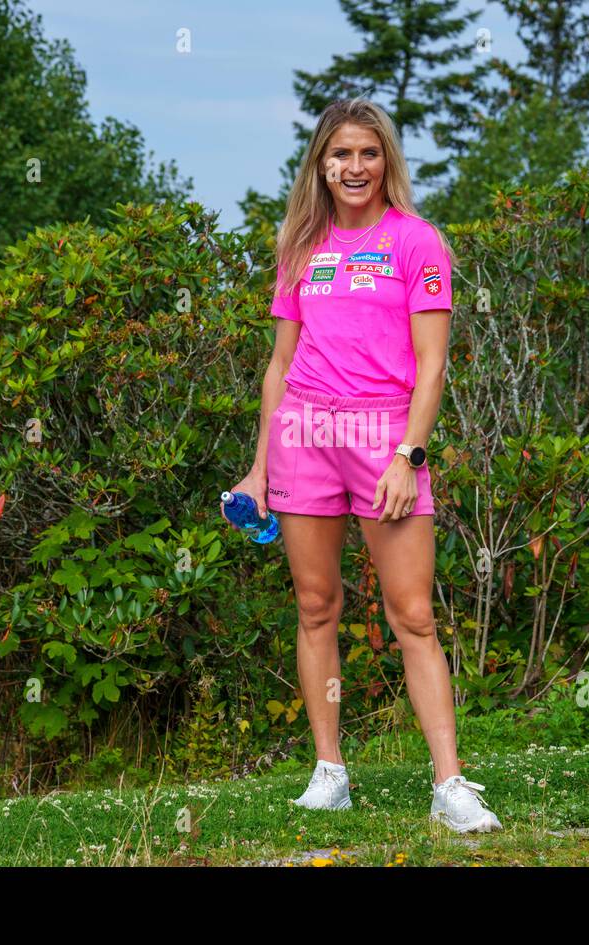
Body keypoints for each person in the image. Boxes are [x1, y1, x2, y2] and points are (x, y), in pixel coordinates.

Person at [223, 97, 501, 833]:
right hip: (303, 437)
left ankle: (450, 787)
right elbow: (279, 366)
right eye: (340, 154)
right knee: (317, 608)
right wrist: (258, 471)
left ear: (387, 162)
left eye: (367, 154)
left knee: (412, 615)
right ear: (320, 162)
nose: (353, 168)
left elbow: (434, 366)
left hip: (386, 439)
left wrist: (410, 455)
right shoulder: (300, 245)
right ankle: (330, 772)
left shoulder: (418, 243)